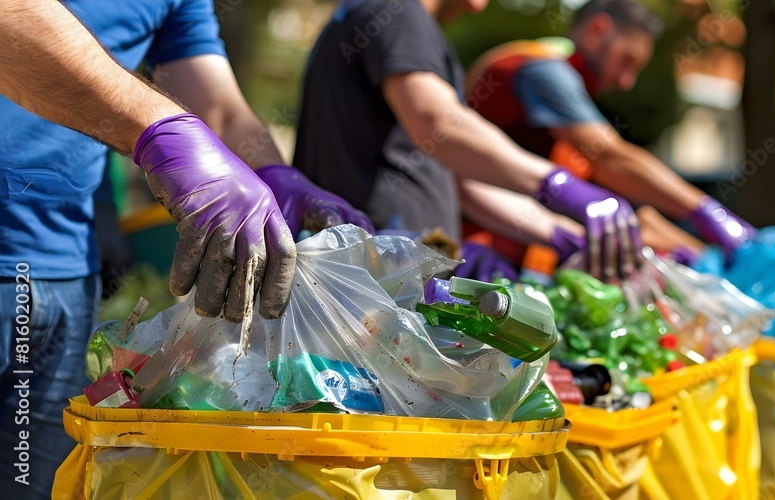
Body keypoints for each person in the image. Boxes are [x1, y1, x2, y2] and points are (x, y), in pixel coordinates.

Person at [0, 1, 370, 496]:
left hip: (61, 270)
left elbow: (217, 104)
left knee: (30, 483)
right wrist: (160, 129)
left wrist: (272, 171)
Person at [293, 0, 642, 281]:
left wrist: (561, 234)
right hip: (370, 277)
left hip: (382, 273)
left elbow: (461, 181)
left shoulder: (392, 19)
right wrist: (558, 183)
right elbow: (437, 122)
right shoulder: (398, 13)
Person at [464, 0, 754, 258]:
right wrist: (707, 211)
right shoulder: (543, 71)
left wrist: (699, 253)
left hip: (509, 242)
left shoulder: (560, 99)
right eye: (626, 60)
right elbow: (612, 159)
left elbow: (635, 212)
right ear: (597, 31)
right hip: (474, 247)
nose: (626, 82)